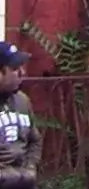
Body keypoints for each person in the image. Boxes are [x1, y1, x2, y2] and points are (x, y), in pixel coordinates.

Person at [0, 42, 40, 189]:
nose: (22, 73)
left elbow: (35, 140)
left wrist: (30, 167)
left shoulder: (22, 101)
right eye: (15, 69)